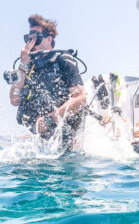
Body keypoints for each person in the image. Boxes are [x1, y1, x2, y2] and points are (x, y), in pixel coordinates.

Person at [8, 14, 87, 142]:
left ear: (49, 39)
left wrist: (50, 119)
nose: (31, 43)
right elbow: (14, 100)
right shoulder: (27, 68)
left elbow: (81, 98)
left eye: (36, 38)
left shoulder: (63, 60)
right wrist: (22, 66)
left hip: (66, 136)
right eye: (29, 39)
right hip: (39, 141)